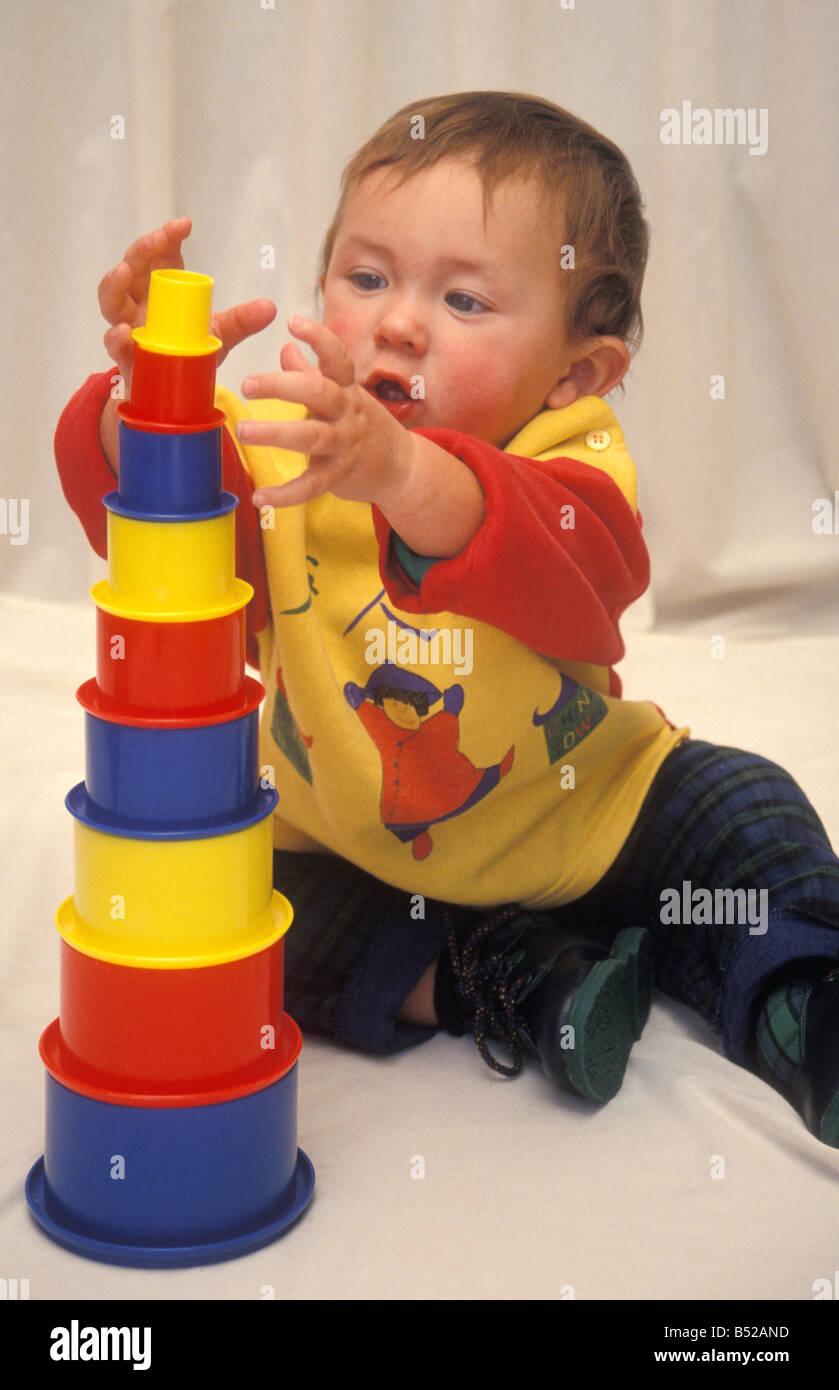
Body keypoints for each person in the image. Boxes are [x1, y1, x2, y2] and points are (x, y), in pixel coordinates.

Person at [55, 91, 839, 1145]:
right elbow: (152, 516)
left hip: (582, 815)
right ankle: (511, 981)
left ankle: (797, 999)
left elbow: (577, 573)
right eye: (365, 277)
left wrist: (401, 474)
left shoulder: (571, 458)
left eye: (464, 301)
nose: (397, 320)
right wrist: (144, 381)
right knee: (221, 912)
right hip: (346, 843)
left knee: (745, 804)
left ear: (573, 367)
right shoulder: (281, 443)